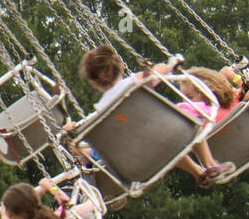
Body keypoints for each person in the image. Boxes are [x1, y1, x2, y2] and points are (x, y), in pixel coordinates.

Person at [76, 45, 232, 186]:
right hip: (162, 135)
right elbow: (161, 71)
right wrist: (169, 64)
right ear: (121, 67)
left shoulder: (101, 109)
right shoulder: (136, 81)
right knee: (188, 125)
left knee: (165, 147)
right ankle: (210, 165)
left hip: (136, 159)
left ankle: (198, 173)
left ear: (93, 83)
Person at [173, 69, 237, 185]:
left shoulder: (201, 108)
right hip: (169, 134)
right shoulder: (205, 110)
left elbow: (225, 74)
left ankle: (202, 170)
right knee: (193, 130)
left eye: (190, 98)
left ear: (205, 92)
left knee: (174, 148)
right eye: (184, 98)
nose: (186, 102)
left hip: (166, 138)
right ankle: (208, 166)